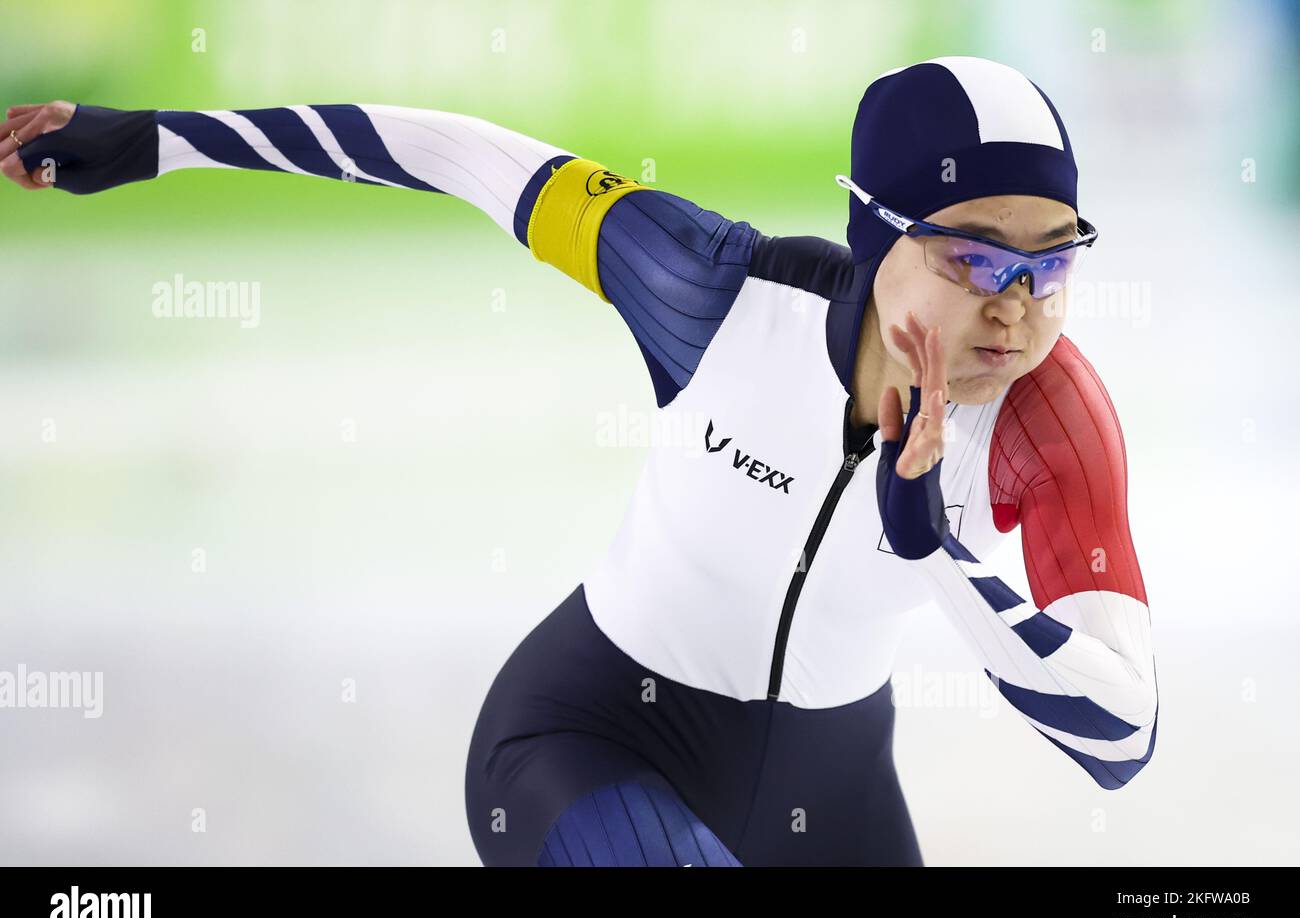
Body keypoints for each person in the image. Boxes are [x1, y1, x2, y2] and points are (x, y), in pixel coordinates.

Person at [2, 55, 1157, 867]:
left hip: (835, 792)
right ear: (873, 235)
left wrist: (930, 543)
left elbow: (1121, 736)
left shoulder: (1051, 424)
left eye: (1051, 267)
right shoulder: (710, 293)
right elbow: (457, 154)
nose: (1015, 313)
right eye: (973, 261)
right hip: (587, 739)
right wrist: (158, 140)